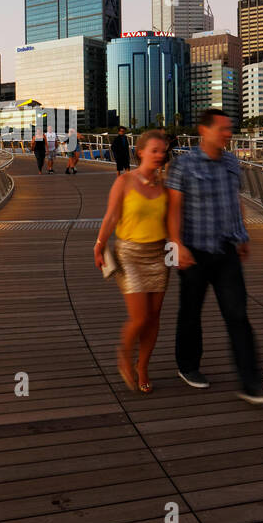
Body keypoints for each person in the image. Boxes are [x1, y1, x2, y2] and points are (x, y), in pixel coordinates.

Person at [166, 108, 263, 402]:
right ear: (204, 130)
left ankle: (250, 381)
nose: (228, 134)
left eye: (229, 129)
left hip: (226, 250)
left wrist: (243, 234)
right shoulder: (183, 166)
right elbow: (173, 208)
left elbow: (235, 200)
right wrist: (176, 244)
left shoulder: (231, 162)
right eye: (223, 129)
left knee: (237, 314)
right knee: (190, 311)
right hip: (193, 250)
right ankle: (187, 366)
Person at [95, 130, 171, 393]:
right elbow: (111, 216)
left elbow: (169, 223)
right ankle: (125, 356)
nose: (160, 155)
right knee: (139, 317)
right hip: (129, 254)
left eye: (163, 151)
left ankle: (143, 366)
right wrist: (99, 244)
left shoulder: (165, 185)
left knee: (154, 318)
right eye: (154, 151)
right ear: (140, 152)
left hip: (159, 255)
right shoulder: (125, 181)